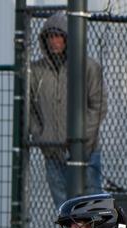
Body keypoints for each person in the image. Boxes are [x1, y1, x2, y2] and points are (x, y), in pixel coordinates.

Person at [30, 10, 108, 209]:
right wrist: (41, 137)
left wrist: (82, 140)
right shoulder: (36, 71)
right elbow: (29, 109)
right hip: (53, 153)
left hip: (85, 153)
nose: (53, 41)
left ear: (67, 39)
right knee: (65, 209)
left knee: (92, 207)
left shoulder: (88, 67)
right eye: (49, 36)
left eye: (58, 36)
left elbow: (98, 106)